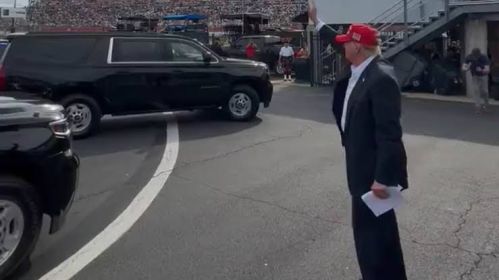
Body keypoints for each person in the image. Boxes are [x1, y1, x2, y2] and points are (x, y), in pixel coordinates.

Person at [310, 3, 409, 280]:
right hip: (361, 165)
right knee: (375, 236)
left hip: (372, 174)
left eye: (346, 43)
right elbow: (334, 38)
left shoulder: (380, 79)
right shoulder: (361, 65)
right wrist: (317, 22)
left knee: (373, 239)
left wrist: (382, 178)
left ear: (358, 47)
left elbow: (390, 135)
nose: (341, 47)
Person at [462, 48, 491, 113]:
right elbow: (464, 67)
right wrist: (467, 68)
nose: (475, 57)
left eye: (476, 56)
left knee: (484, 91)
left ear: (479, 54)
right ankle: (477, 106)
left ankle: (486, 105)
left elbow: (487, 69)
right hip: (475, 75)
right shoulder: (469, 57)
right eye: (474, 55)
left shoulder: (484, 58)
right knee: (476, 90)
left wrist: (482, 70)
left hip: (483, 76)